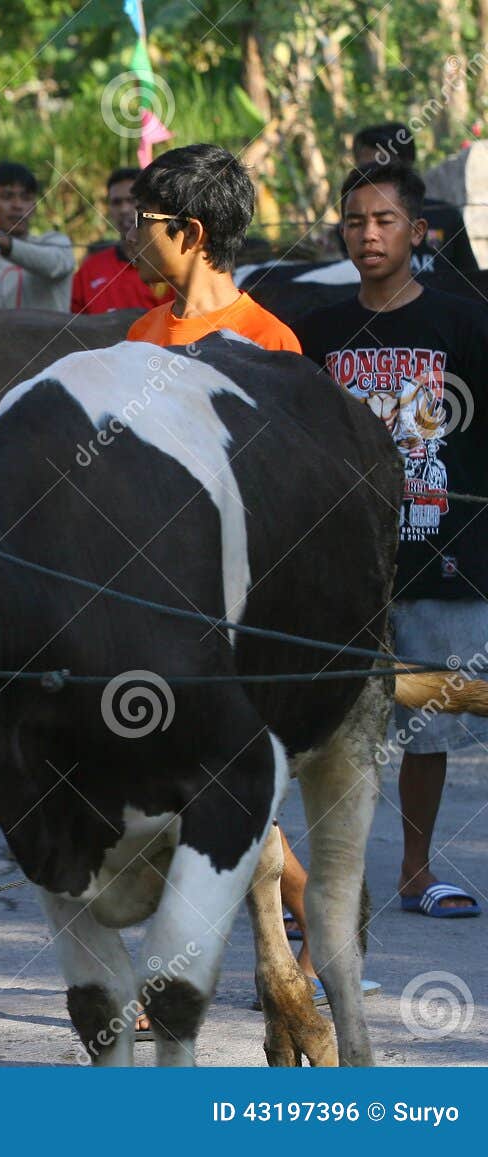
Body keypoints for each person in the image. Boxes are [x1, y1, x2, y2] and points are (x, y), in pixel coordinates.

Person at [295, 161, 486, 922]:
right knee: (317, 724)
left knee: (430, 724)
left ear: (418, 232)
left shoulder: (466, 324)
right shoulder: (317, 330)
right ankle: (311, 889)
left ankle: (415, 868)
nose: (367, 234)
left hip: (442, 553)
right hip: (341, 563)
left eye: (383, 220)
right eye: (353, 221)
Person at [123, 143, 301, 351]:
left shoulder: (269, 342)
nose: (130, 237)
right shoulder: (141, 334)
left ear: (191, 233)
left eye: (142, 219)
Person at [351, 122, 479, 279]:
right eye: (365, 170)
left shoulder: (445, 217)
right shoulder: (352, 228)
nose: (372, 177)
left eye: (382, 167)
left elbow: (472, 281)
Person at [0, 161, 74, 313]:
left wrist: (3, 241)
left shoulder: (56, 243)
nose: (17, 205)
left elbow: (54, 264)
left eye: (26, 198)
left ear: (34, 207)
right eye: (7, 197)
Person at [70, 167, 168, 314]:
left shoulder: (167, 266)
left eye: (132, 200)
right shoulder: (89, 269)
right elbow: (76, 326)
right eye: (116, 202)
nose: (124, 209)